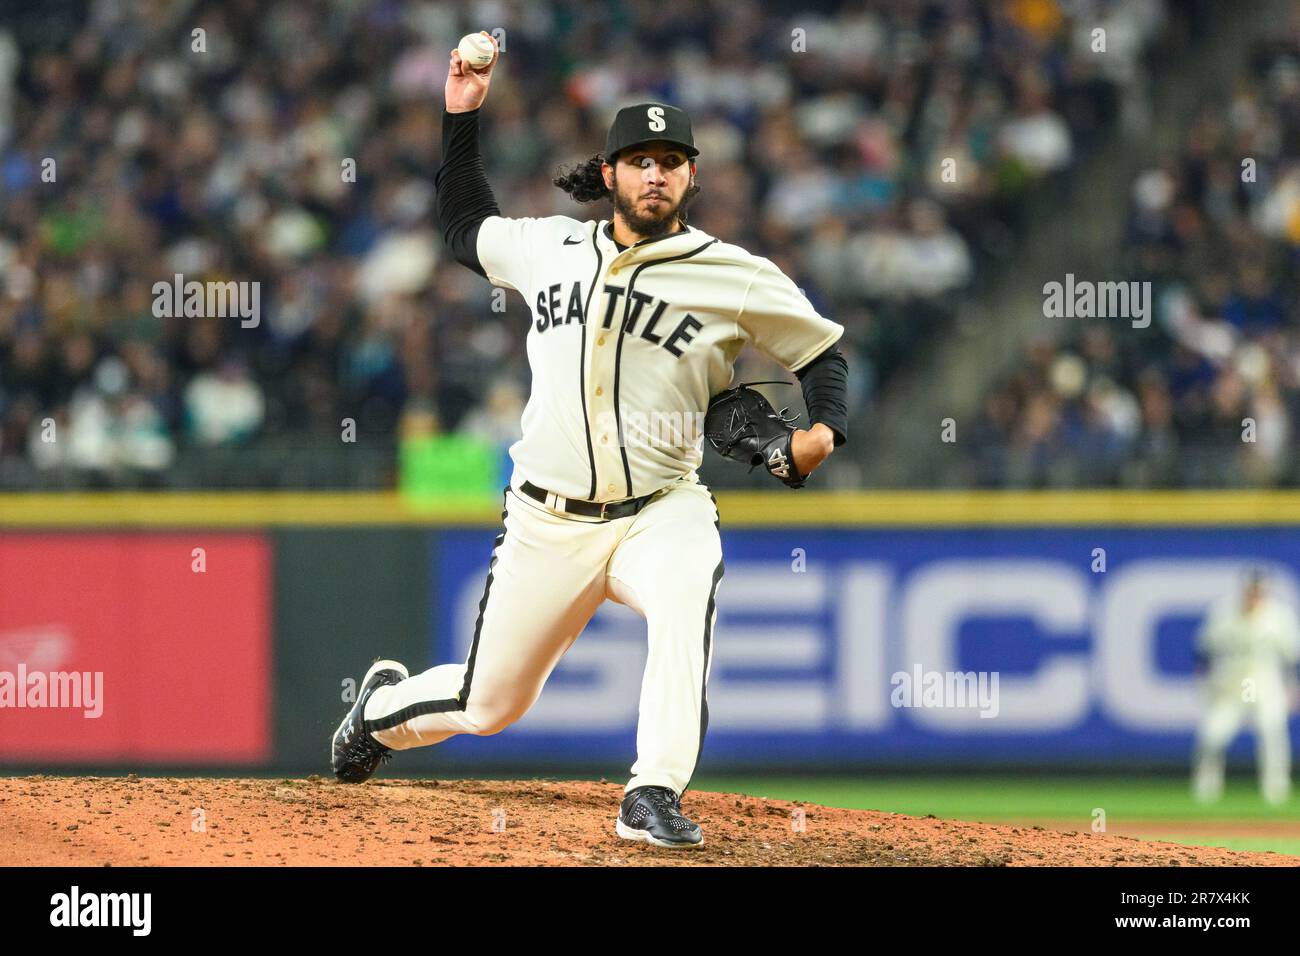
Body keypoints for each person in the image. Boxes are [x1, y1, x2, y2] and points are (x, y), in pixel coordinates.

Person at [330, 33, 850, 848]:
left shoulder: (733, 272)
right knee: (489, 704)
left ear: (692, 176)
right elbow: (466, 222)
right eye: (639, 159)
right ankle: (380, 712)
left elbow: (821, 350)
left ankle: (651, 792)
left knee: (685, 603)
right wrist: (461, 113)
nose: (655, 174)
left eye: (670, 160)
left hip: (663, 508)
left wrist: (823, 429)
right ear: (608, 173)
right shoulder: (549, 249)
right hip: (548, 520)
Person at [1191, 568, 1300, 806]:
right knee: (1213, 735)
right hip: (1230, 683)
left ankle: (1276, 790)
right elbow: (1203, 651)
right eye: (1252, 590)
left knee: (1272, 732)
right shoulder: (1222, 612)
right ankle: (1206, 788)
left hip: (1265, 681)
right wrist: (1204, 684)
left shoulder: (1279, 616)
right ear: (1244, 590)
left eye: (1259, 591)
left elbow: (1292, 658)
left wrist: (1292, 687)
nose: (1255, 595)